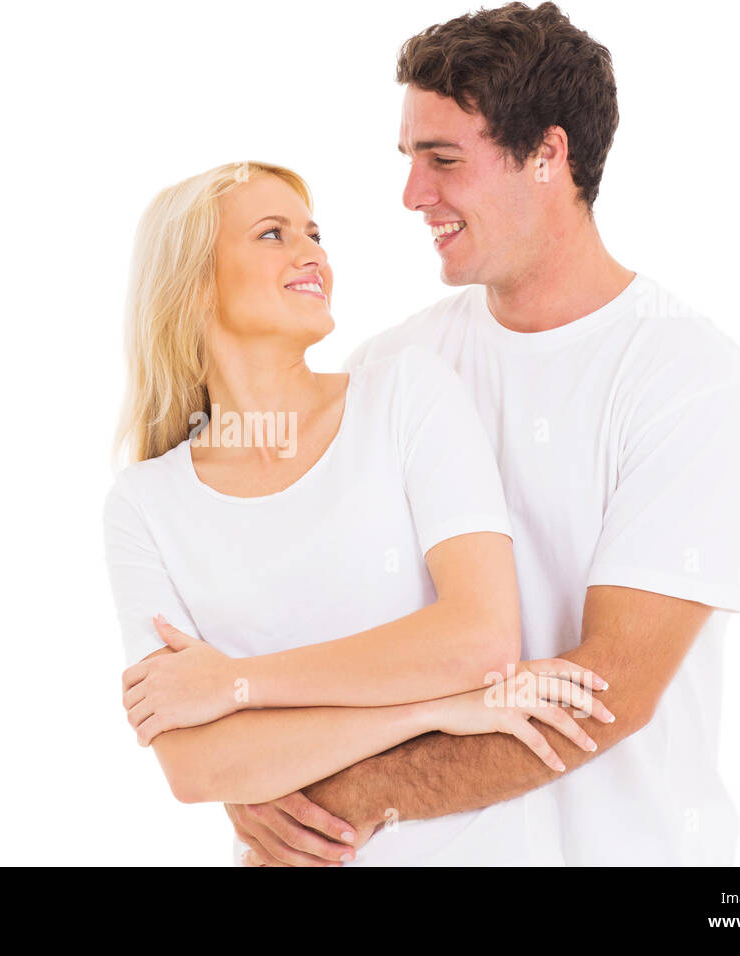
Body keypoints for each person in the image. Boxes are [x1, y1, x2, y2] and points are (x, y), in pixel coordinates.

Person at [226, 2, 740, 866]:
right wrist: (254, 778)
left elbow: (611, 691)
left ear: (548, 156)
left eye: (443, 160)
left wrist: (347, 797)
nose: (413, 196)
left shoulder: (687, 379)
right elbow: (305, 615)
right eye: (410, 160)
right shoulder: (391, 367)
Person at [102, 159, 615, 866]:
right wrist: (436, 708)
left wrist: (235, 687)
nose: (311, 252)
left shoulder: (405, 396)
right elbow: (197, 768)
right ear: (192, 288)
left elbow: (479, 638)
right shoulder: (145, 504)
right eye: (273, 234)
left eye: (314, 233)